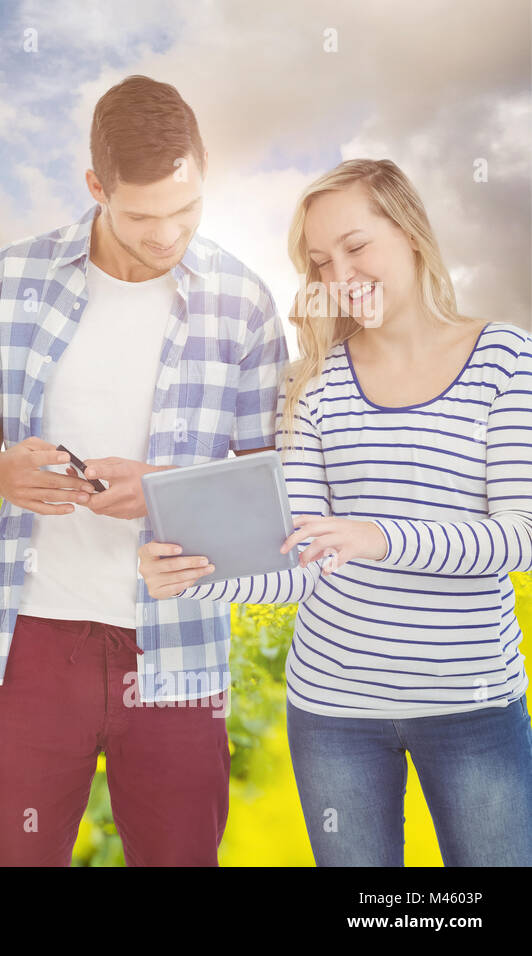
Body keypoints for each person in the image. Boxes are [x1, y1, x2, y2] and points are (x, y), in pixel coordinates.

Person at [139, 158, 532, 866]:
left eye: (356, 246)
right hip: (334, 710)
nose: (338, 275)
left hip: (472, 706)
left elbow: (518, 538)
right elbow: (302, 562)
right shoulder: (312, 384)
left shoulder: (504, 358)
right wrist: (194, 573)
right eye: (319, 262)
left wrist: (378, 537)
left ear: (410, 232)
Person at [0, 75, 290, 866]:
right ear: (95, 187)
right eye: (141, 215)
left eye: (186, 210)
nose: (168, 235)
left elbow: (266, 489)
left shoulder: (243, 301)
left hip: (182, 650)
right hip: (34, 639)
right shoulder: (17, 276)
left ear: (205, 167)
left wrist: (161, 490)